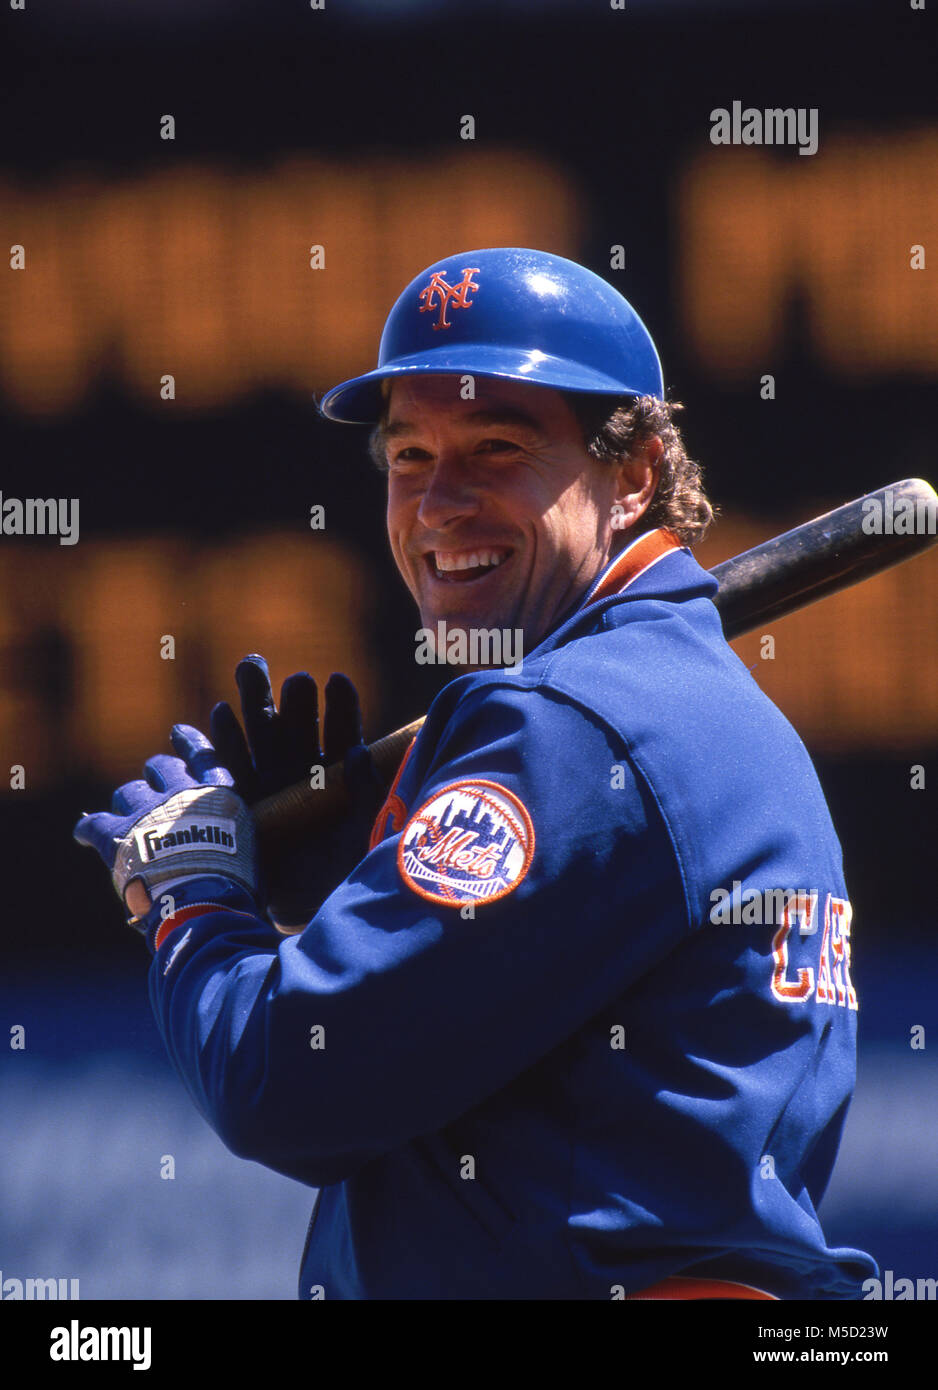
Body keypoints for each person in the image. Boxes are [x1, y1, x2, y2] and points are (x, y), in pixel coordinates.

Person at [74, 248, 876, 1300]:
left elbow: (286, 1079)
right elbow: (534, 1041)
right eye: (408, 457)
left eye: (496, 447)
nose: (438, 502)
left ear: (631, 473)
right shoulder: (696, 707)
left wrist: (192, 901)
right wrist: (345, 894)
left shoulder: (566, 723)